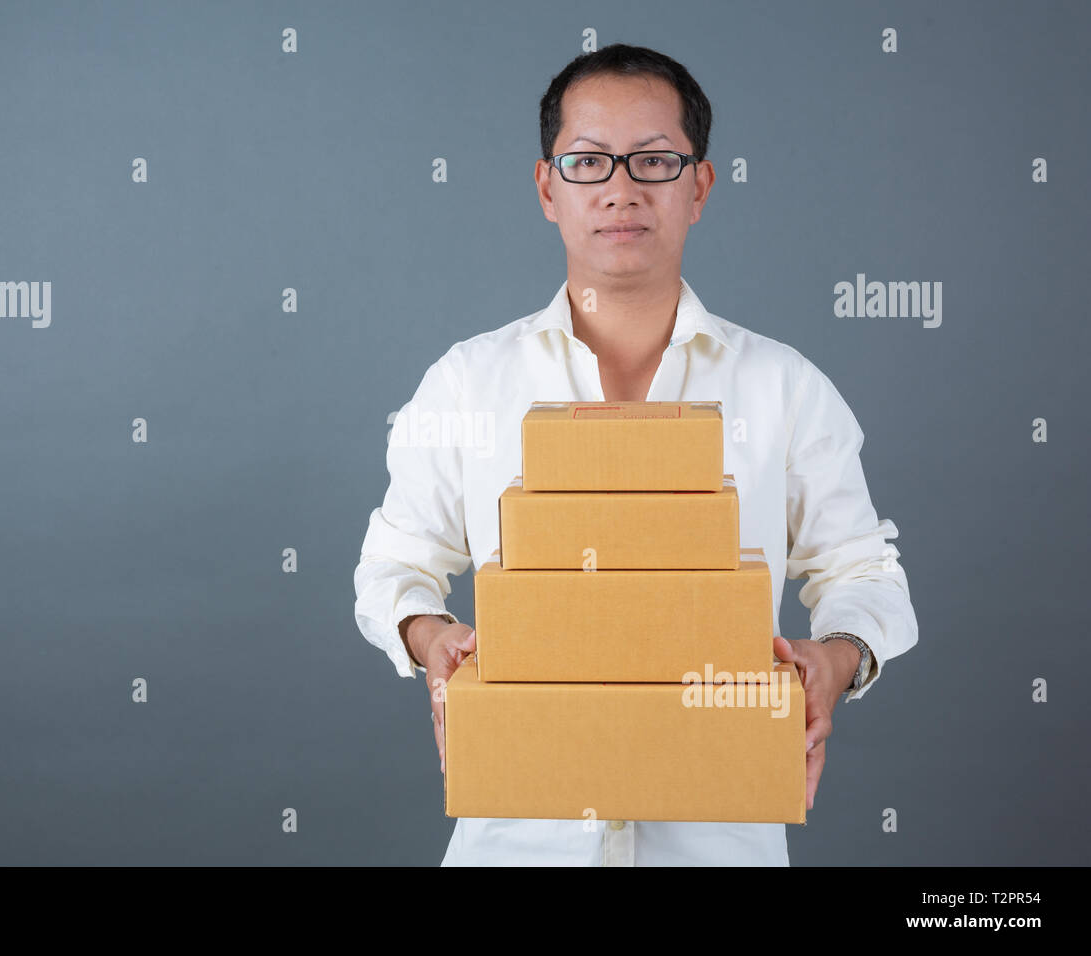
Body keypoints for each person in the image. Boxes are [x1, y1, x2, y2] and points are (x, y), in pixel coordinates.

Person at [352, 43, 918, 866]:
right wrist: (428, 638)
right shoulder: (468, 383)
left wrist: (834, 662)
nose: (621, 188)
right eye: (588, 162)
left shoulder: (785, 388)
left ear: (700, 185)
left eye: (654, 159)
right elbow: (391, 564)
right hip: (517, 842)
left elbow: (866, 573)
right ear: (548, 187)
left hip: (720, 836)